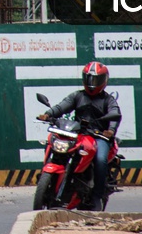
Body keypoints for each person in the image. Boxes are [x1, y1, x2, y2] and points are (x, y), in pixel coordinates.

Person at [36, 61, 120, 202]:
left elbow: (115, 114)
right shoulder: (77, 96)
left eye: (96, 79)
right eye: (89, 78)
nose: (92, 83)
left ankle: (96, 195)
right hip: (79, 134)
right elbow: (62, 106)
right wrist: (48, 114)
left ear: (104, 80)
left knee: (100, 160)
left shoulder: (108, 100)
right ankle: (49, 178)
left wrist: (110, 130)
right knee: (52, 141)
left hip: (99, 136)